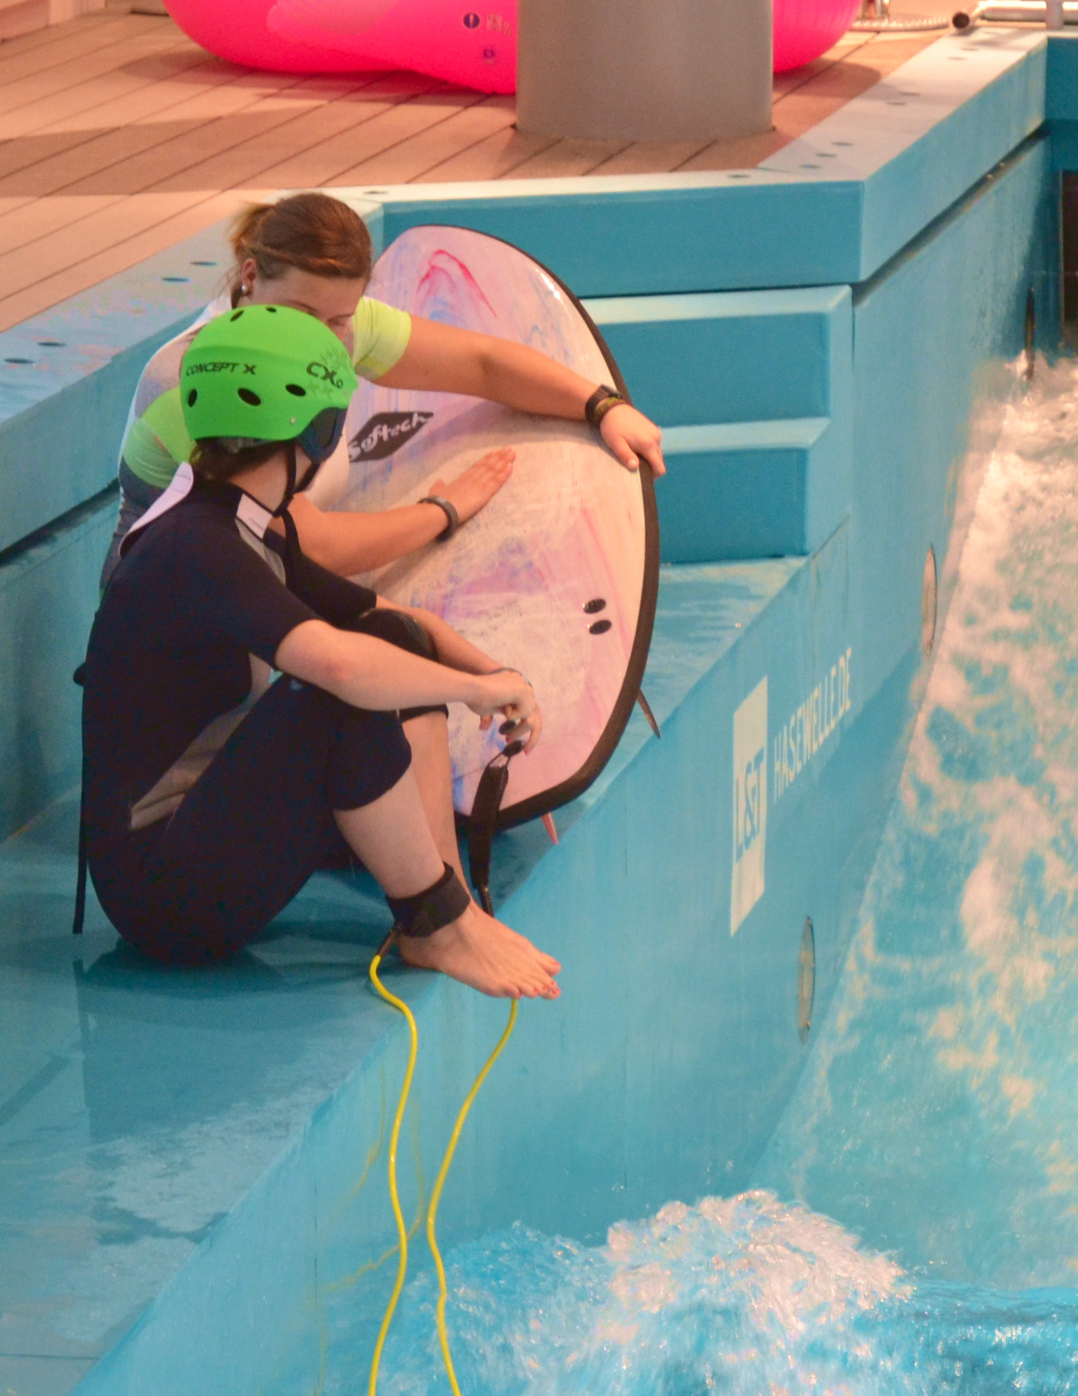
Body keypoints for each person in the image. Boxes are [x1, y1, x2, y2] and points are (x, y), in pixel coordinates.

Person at [79, 305, 563, 997]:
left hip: (201, 842)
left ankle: (441, 898)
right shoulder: (198, 547)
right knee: (341, 695)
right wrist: (475, 694)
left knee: (392, 648)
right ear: (319, 428)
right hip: (163, 899)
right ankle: (435, 922)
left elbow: (389, 623)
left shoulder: (236, 525)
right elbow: (338, 667)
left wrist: (496, 675)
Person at [106, 192, 668, 579]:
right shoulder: (191, 388)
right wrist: (443, 509)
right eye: (305, 313)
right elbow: (311, 545)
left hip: (273, 593)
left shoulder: (337, 330)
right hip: (183, 637)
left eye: (340, 319)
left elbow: (482, 363)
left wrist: (602, 405)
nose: (325, 339)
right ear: (251, 277)